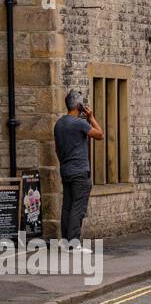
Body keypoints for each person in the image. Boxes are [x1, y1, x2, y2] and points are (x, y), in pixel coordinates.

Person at [53, 90, 103, 247]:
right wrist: (91, 117)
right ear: (80, 106)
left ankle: (65, 242)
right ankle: (73, 244)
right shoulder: (79, 123)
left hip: (66, 170)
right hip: (80, 172)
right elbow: (100, 134)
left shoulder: (59, 124)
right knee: (78, 207)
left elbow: (57, 149)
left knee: (67, 206)